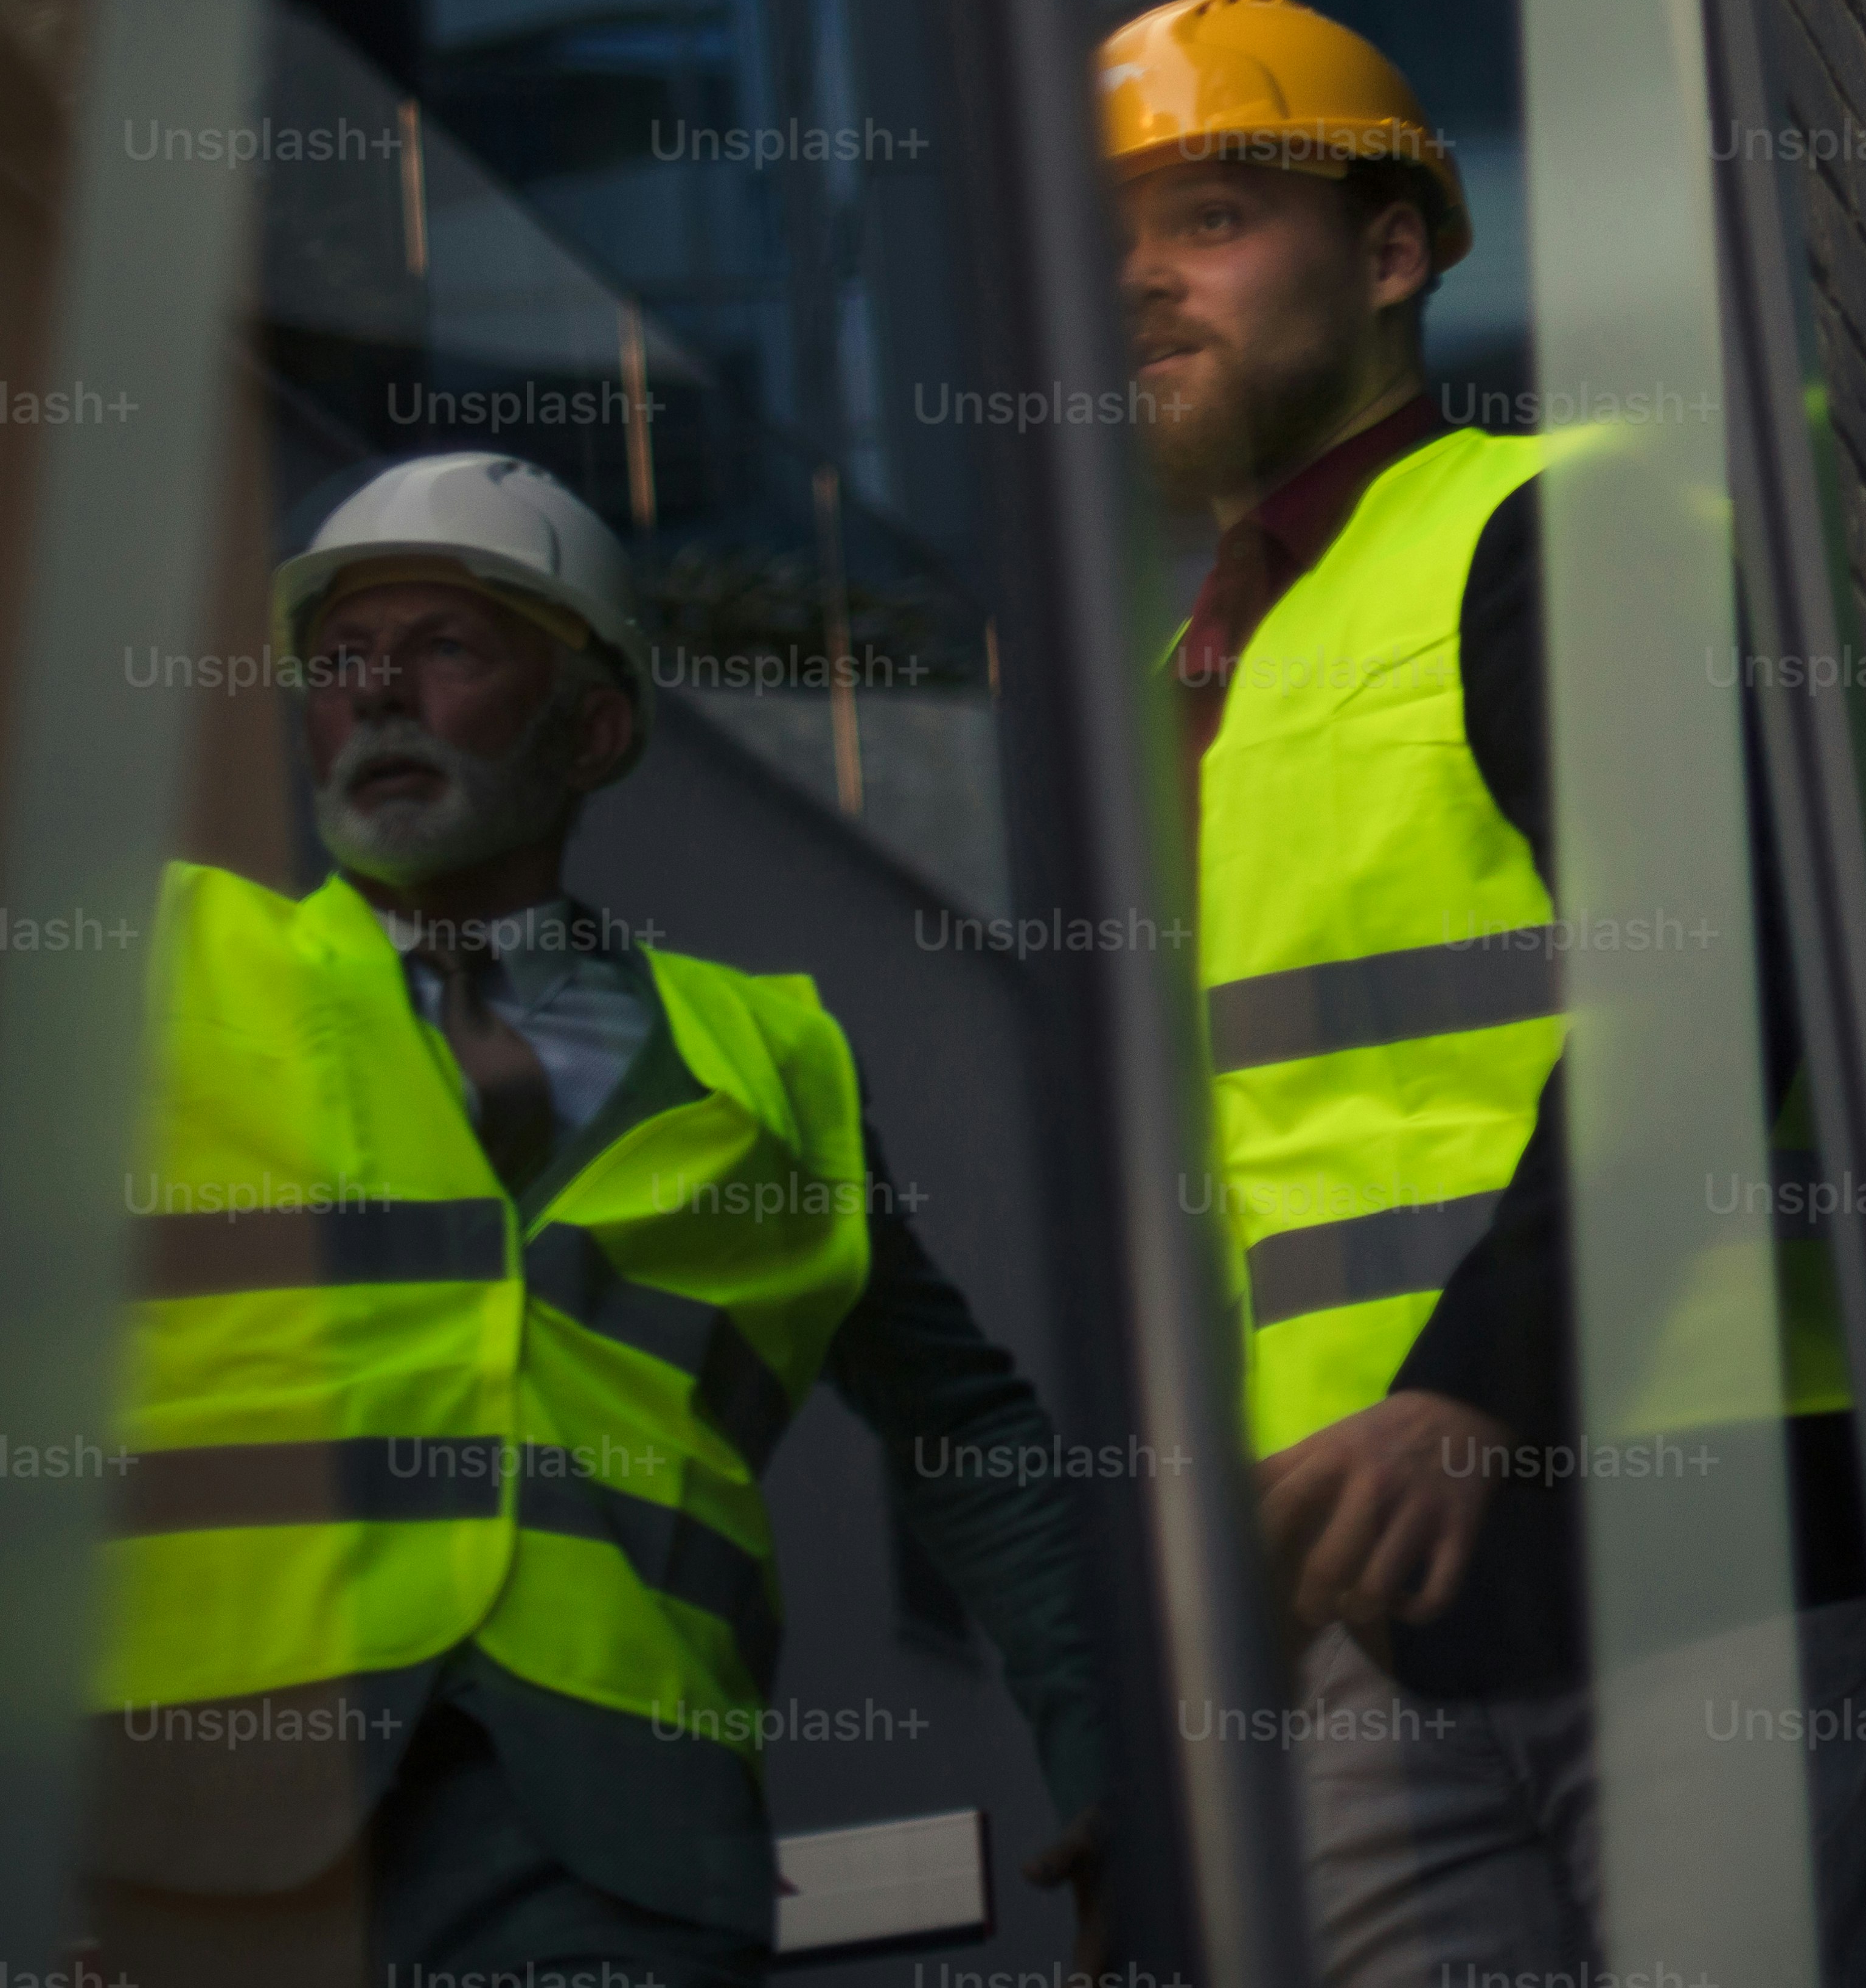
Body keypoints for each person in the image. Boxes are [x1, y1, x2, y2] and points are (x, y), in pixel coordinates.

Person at [1095, 0, 1866, 1988]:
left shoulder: (1553, 524)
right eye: (1110, 239)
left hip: (1686, 1536)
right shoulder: (1175, 694)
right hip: (1357, 1642)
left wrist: (1479, 1384)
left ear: (1390, 255)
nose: (1134, 281)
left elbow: (1719, 959)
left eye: (1207, 216)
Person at [85, 452, 1110, 1988]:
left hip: (610, 1840)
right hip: (187, 1821)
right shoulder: (148, 962)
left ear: (597, 725)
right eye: (341, 660)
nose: (375, 696)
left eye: (443, 649)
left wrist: (1118, 1771)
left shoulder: (768, 1057)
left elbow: (972, 1437)